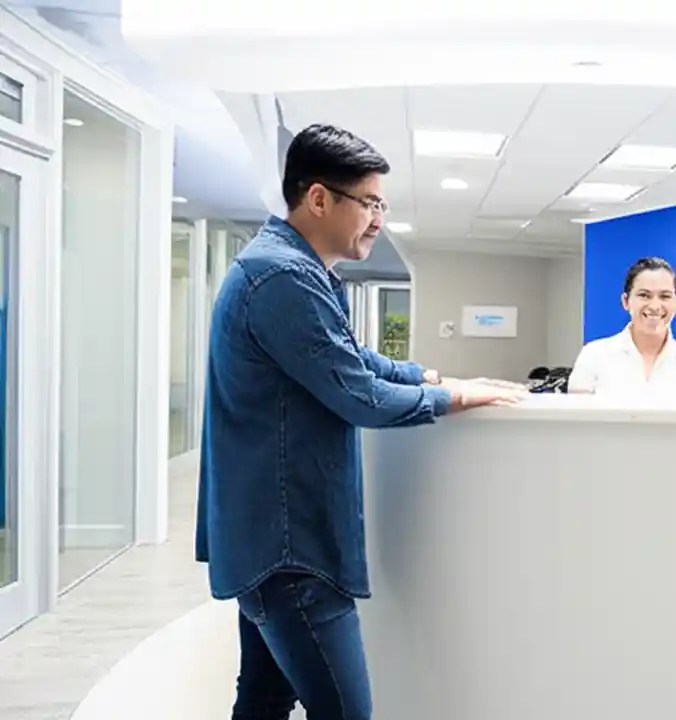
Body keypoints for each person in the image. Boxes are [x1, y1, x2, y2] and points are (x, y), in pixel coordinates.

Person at [195, 123, 525, 720]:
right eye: (370, 203)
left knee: (265, 698)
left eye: (382, 205)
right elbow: (359, 395)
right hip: (290, 547)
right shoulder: (282, 279)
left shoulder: (290, 266)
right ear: (319, 198)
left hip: (267, 537)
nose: (378, 219)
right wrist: (455, 399)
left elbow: (350, 359)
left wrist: (430, 377)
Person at [568, 256, 676, 397]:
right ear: (626, 301)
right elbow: (576, 421)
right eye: (644, 295)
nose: (655, 306)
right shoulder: (594, 356)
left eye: (665, 296)